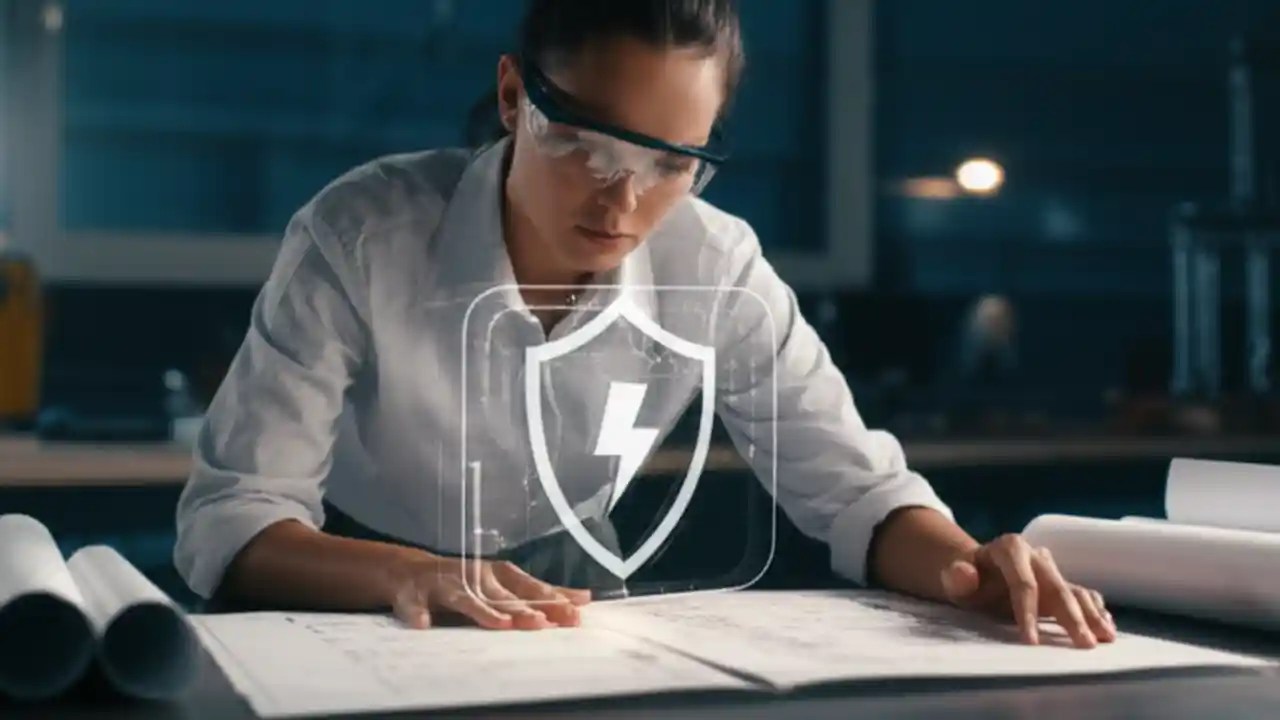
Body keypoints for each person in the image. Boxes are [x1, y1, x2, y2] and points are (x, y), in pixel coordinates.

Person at [174, 0, 1115, 649]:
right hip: (344, 575)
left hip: (568, 593)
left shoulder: (715, 264)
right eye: (584, 142)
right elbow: (233, 516)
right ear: (513, 98)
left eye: (671, 162)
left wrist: (965, 566)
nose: (622, 200)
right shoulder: (361, 233)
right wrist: (404, 574)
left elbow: (853, 492)